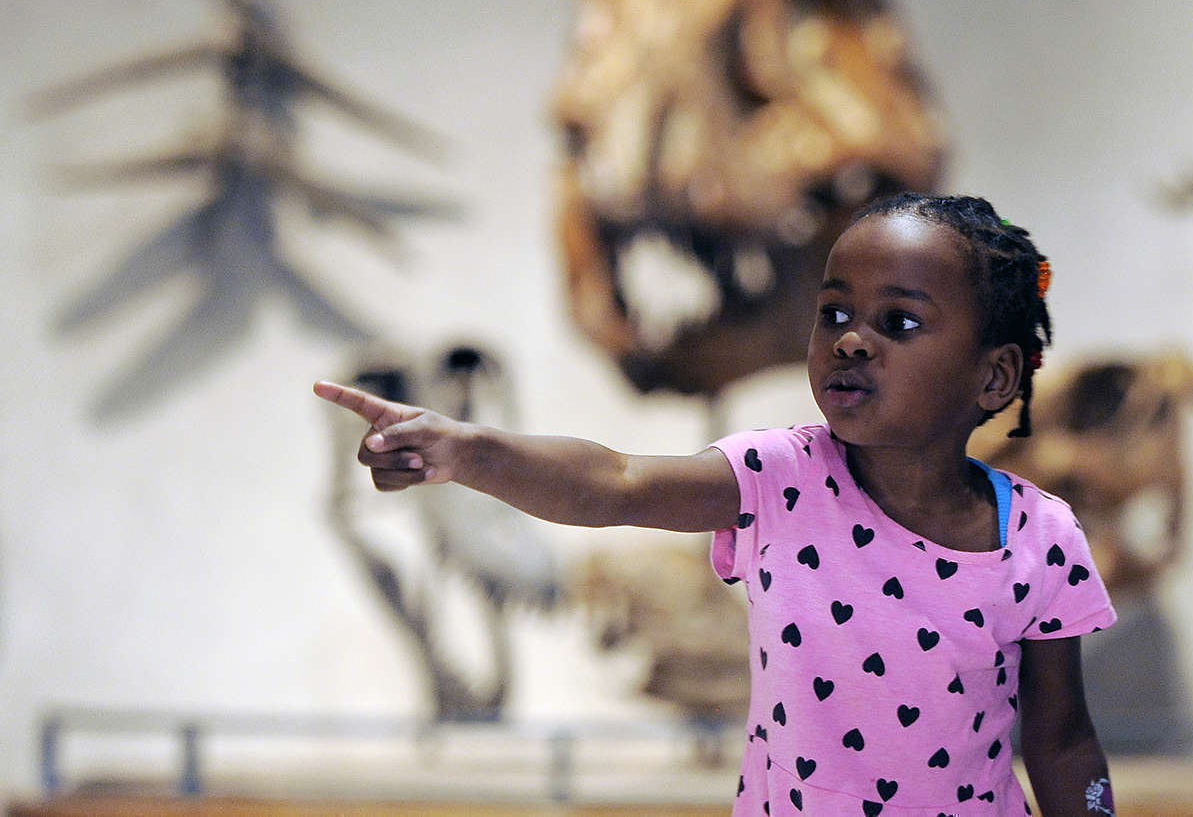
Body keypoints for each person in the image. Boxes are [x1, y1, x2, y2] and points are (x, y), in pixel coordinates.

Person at [315, 193, 1118, 816]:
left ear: (994, 377)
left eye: (898, 321)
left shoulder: (1041, 536)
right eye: (834, 313)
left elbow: (1063, 738)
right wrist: (470, 451)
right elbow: (614, 480)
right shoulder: (781, 476)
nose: (850, 339)